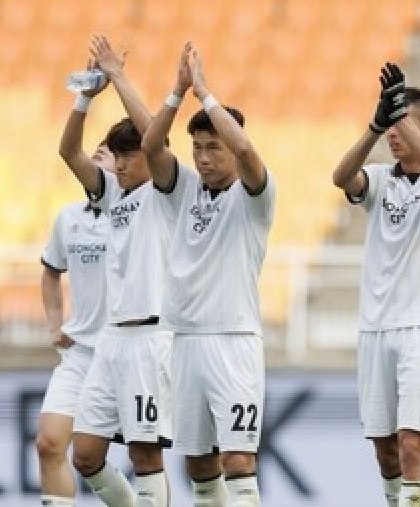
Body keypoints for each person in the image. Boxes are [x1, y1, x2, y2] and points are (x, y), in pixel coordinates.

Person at [331, 62, 420, 507]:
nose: (394, 133)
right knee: (385, 449)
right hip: (376, 328)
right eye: (391, 124)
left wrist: (399, 117)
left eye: (403, 123)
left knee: (414, 443)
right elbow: (341, 178)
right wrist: (376, 126)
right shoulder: (378, 179)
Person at [142, 42, 274, 507]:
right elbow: (150, 146)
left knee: (237, 459)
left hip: (233, 340)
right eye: (196, 148)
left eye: (213, 147)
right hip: (184, 340)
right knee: (199, 464)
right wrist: (177, 93)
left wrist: (205, 93)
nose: (202, 157)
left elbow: (247, 149)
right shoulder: (184, 191)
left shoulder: (255, 196)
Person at [57, 36, 174, 507]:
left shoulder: (167, 193)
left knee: (145, 453)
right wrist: (85, 97)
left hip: (150, 336)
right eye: (116, 156)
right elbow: (70, 153)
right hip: (112, 339)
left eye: (129, 155)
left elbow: (154, 136)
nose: (120, 165)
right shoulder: (113, 195)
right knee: (85, 455)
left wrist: (119, 76)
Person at [35, 141, 115, 507]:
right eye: (96, 150)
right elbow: (51, 271)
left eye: (108, 152)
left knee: (136, 456)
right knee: (49, 443)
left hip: (128, 350)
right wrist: (55, 325)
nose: (97, 154)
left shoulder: (141, 212)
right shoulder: (68, 218)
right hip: (81, 354)